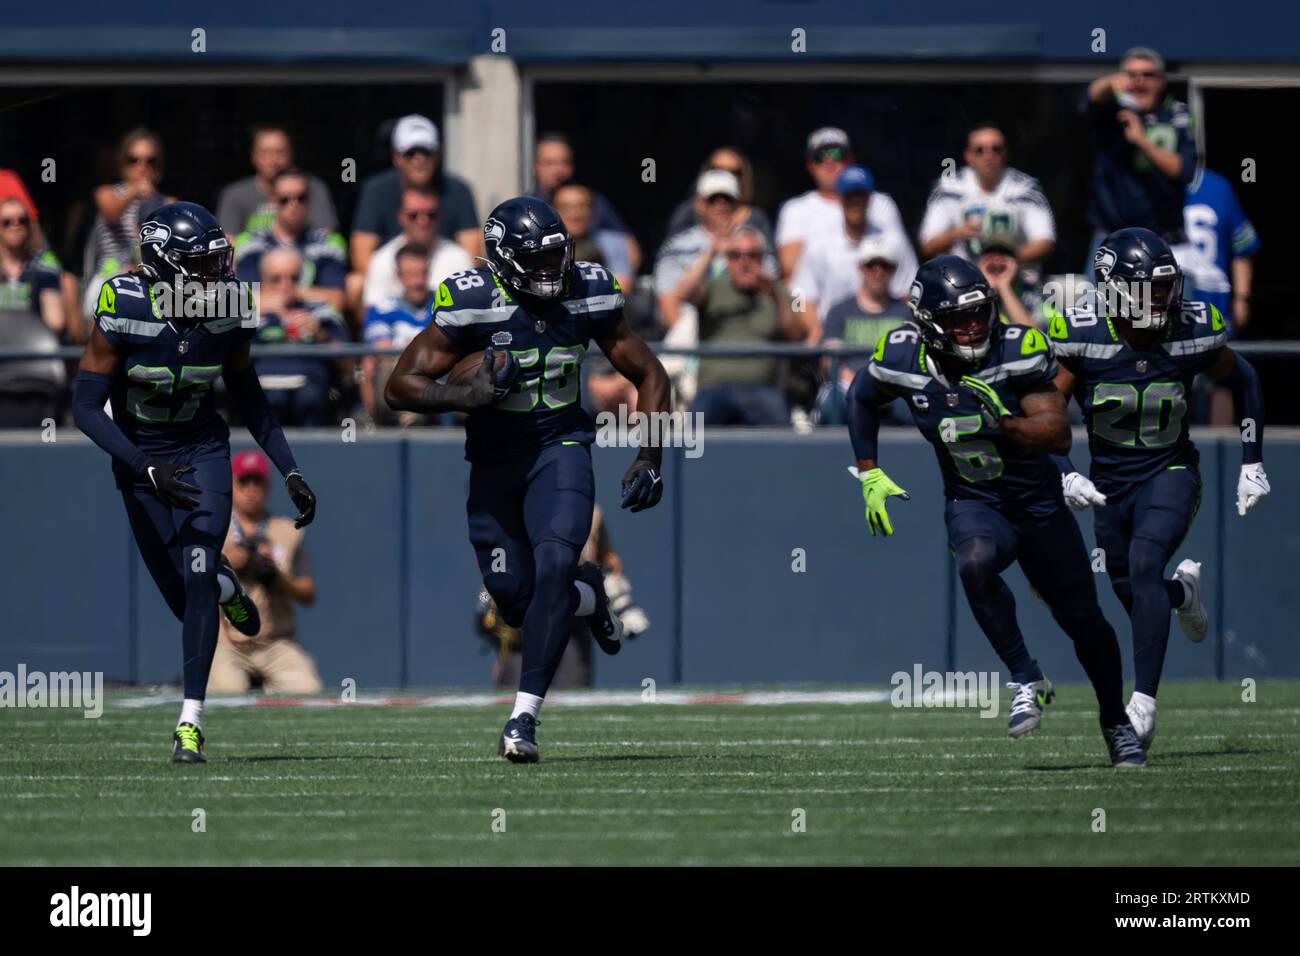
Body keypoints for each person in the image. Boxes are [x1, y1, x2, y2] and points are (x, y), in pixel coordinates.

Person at [384, 196, 670, 764]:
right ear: (503, 260)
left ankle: (523, 718)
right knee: (517, 600)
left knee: (556, 561)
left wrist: (651, 455)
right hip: (494, 464)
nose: (553, 269)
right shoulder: (472, 299)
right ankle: (589, 597)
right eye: (538, 259)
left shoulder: (587, 289)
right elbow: (399, 386)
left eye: (557, 254)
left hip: (560, 447)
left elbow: (648, 370)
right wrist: (464, 394)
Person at [847, 255, 1145, 768]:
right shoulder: (903, 356)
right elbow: (860, 396)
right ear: (927, 323)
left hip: (1037, 503)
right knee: (975, 562)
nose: (972, 326)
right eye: (958, 319)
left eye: (979, 312)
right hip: (974, 500)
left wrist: (1002, 424)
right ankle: (1026, 675)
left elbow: (1057, 432)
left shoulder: (1015, 348)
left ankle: (1115, 723)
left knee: (1084, 620)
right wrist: (869, 469)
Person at [71, 201, 317, 764]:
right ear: (166, 267)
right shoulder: (123, 303)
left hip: (202, 450)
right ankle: (228, 588)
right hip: (142, 460)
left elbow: (248, 394)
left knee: (199, 567)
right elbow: (85, 408)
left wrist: (290, 467)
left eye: (218, 263)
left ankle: (190, 722)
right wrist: (142, 467)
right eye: (202, 266)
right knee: (186, 599)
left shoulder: (228, 307)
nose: (218, 276)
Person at [1047, 227, 1269, 747]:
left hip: (1170, 472)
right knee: (1131, 589)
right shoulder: (1083, 337)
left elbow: (1247, 381)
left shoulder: (1190, 329)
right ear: (1114, 291)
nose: (1163, 299)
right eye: (1148, 288)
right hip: (1108, 486)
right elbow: (1045, 413)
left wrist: (1252, 461)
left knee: (1145, 563)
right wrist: (1064, 470)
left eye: (1166, 286)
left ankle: (1142, 704)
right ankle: (1182, 592)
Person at [208, 450, 323, 695]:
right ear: (232, 484)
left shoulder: (286, 531)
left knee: (307, 689)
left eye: (257, 481)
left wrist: (276, 576)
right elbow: (191, 583)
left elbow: (308, 593)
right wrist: (224, 562)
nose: (251, 489)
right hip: (227, 643)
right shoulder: (217, 529)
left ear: (267, 486)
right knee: (228, 690)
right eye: (244, 481)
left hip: (276, 642)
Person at [680, 226, 811, 426]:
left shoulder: (778, 292)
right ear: (727, 260)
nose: (744, 262)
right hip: (713, 387)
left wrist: (775, 293)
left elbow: (796, 335)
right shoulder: (714, 286)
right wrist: (711, 253)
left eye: (752, 255)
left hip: (760, 389)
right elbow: (682, 293)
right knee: (693, 433)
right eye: (735, 255)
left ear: (762, 259)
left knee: (782, 431)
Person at [1085, 47, 1197, 259]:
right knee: (1102, 294)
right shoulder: (1112, 111)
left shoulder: (1177, 114)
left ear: (1161, 81)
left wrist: (1141, 140)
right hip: (1112, 236)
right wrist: (1109, 83)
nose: (1139, 81)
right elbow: (1090, 98)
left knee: (1171, 292)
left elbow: (1184, 173)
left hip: (1165, 236)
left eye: (1148, 75)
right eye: (1132, 75)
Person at [350, 115, 480, 273]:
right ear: (396, 157)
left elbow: (473, 258)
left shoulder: (458, 190)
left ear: (438, 155)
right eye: (410, 153)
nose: (419, 159)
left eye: (426, 152)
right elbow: (361, 259)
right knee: (355, 283)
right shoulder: (376, 190)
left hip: (444, 272)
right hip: (393, 276)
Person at [1182, 167, 1262, 425]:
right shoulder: (1142, 187)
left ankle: (1221, 451)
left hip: (1213, 298)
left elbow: (1243, 245)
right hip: (1166, 303)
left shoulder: (1218, 187)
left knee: (1223, 380)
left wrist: (1242, 297)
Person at [918, 123, 1056, 268]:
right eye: (979, 150)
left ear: (1005, 154)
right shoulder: (947, 188)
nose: (988, 156)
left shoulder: (1026, 188)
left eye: (996, 149)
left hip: (1016, 279)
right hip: (963, 281)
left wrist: (1005, 261)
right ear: (968, 156)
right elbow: (927, 246)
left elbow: (1045, 242)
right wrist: (958, 233)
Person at [790, 164, 917, 318]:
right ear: (839, 198)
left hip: (884, 332)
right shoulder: (819, 243)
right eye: (850, 196)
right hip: (832, 334)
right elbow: (799, 295)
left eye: (861, 195)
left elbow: (909, 291)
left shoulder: (893, 240)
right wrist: (814, 330)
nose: (856, 201)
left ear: (870, 198)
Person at [813, 234, 911, 425]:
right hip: (847, 385)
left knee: (916, 406)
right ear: (860, 268)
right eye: (871, 265)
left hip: (896, 386)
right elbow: (828, 360)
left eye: (885, 266)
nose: (878, 272)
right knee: (832, 404)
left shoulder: (906, 313)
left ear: (894, 270)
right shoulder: (839, 311)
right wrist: (860, 383)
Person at [234, 168, 347, 314]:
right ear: (273, 200)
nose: (293, 205)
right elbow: (242, 299)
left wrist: (289, 294)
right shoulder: (250, 243)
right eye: (284, 199)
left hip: (314, 325)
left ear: (310, 199)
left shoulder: (328, 244)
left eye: (301, 198)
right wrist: (308, 294)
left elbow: (337, 300)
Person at [529, 132, 640, 272]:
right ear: (535, 167)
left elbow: (629, 249)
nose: (558, 170)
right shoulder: (527, 208)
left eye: (564, 162)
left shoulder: (594, 200)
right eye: (549, 163)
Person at [360, 185, 472, 310]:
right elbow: (372, 314)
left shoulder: (458, 257)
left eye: (431, 215)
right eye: (413, 215)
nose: (423, 221)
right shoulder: (381, 260)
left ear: (440, 216)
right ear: (400, 216)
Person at [215, 124, 338, 237]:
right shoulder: (235, 194)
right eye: (265, 153)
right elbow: (229, 243)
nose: (272, 160)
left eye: (279, 152)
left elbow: (326, 236)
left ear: (291, 154)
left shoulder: (311, 188)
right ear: (254, 156)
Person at [0, 198, 65, 336]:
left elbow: (55, 321)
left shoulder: (44, 265)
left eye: (22, 221)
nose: (15, 226)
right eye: (7, 222)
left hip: (32, 345)